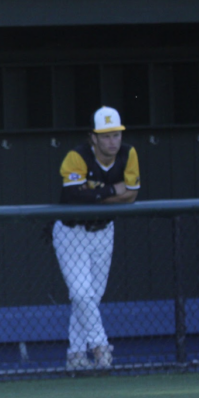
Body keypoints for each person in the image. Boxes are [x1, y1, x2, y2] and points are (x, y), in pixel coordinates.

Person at [53, 106, 140, 370]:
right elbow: (72, 197)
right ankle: (101, 346)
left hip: (103, 232)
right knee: (81, 293)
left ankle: (76, 356)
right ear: (93, 137)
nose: (112, 141)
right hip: (72, 232)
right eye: (105, 136)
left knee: (92, 296)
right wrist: (113, 189)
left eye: (116, 135)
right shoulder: (76, 156)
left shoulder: (129, 153)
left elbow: (132, 195)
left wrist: (95, 193)